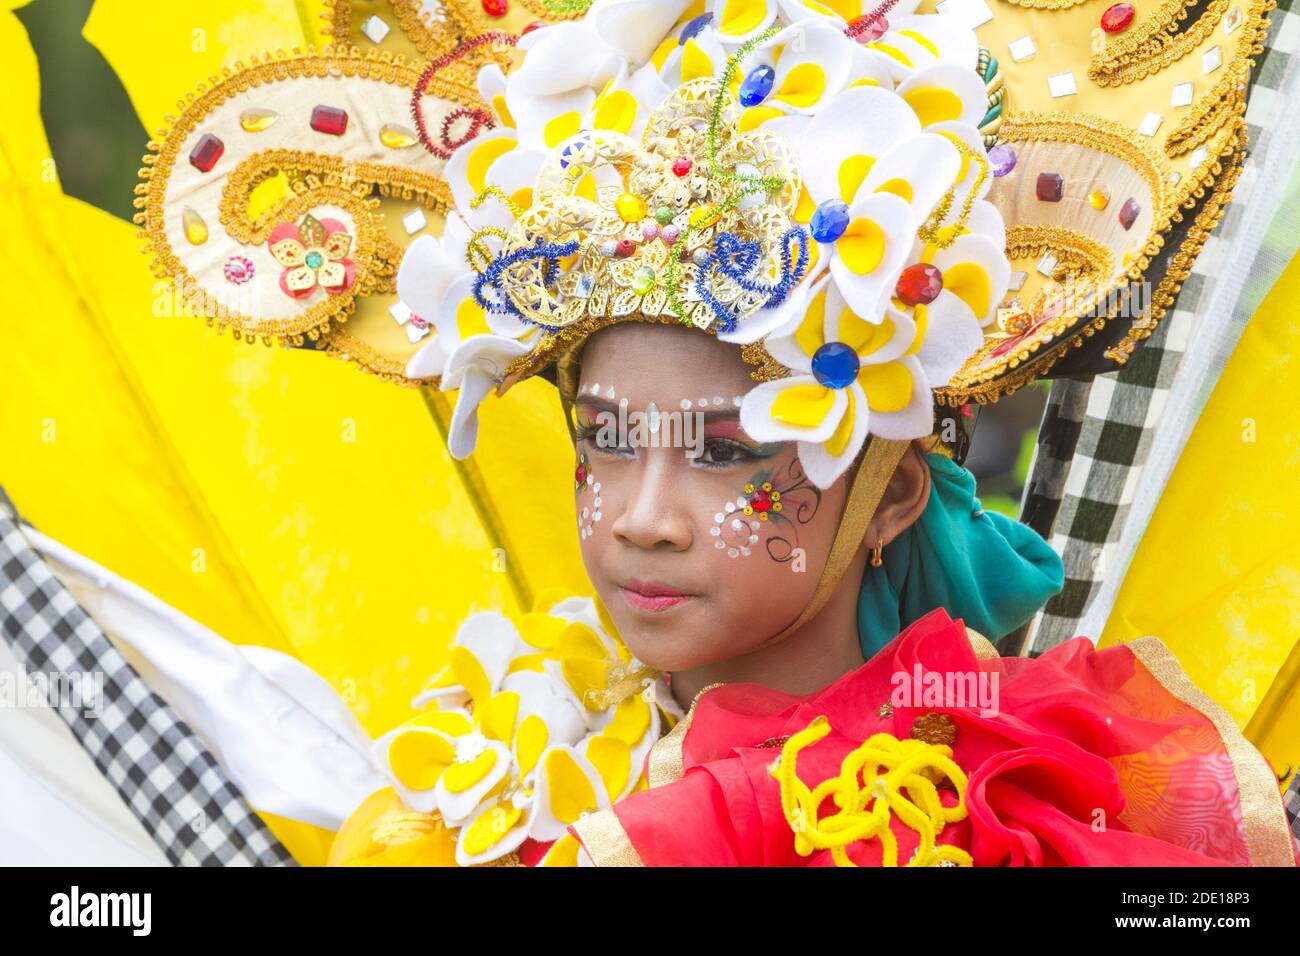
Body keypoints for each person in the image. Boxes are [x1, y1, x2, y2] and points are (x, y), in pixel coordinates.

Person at [133, 1, 1295, 866]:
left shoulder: (960, 807)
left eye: (725, 450)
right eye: (604, 440)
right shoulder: (529, 731)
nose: (640, 515)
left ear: (890, 495)